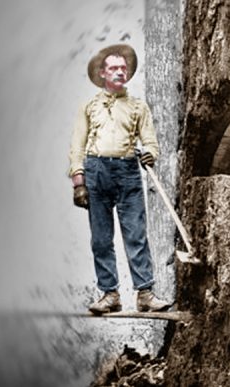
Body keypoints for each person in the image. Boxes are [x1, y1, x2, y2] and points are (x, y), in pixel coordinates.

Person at [68, 44, 170, 314]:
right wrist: (79, 181)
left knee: (136, 235)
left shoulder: (138, 107)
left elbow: (150, 142)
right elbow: (77, 145)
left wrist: (149, 154)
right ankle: (110, 294)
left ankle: (145, 294)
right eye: (113, 68)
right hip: (96, 172)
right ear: (102, 73)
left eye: (123, 69)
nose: (119, 72)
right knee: (101, 239)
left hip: (127, 173)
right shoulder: (89, 106)